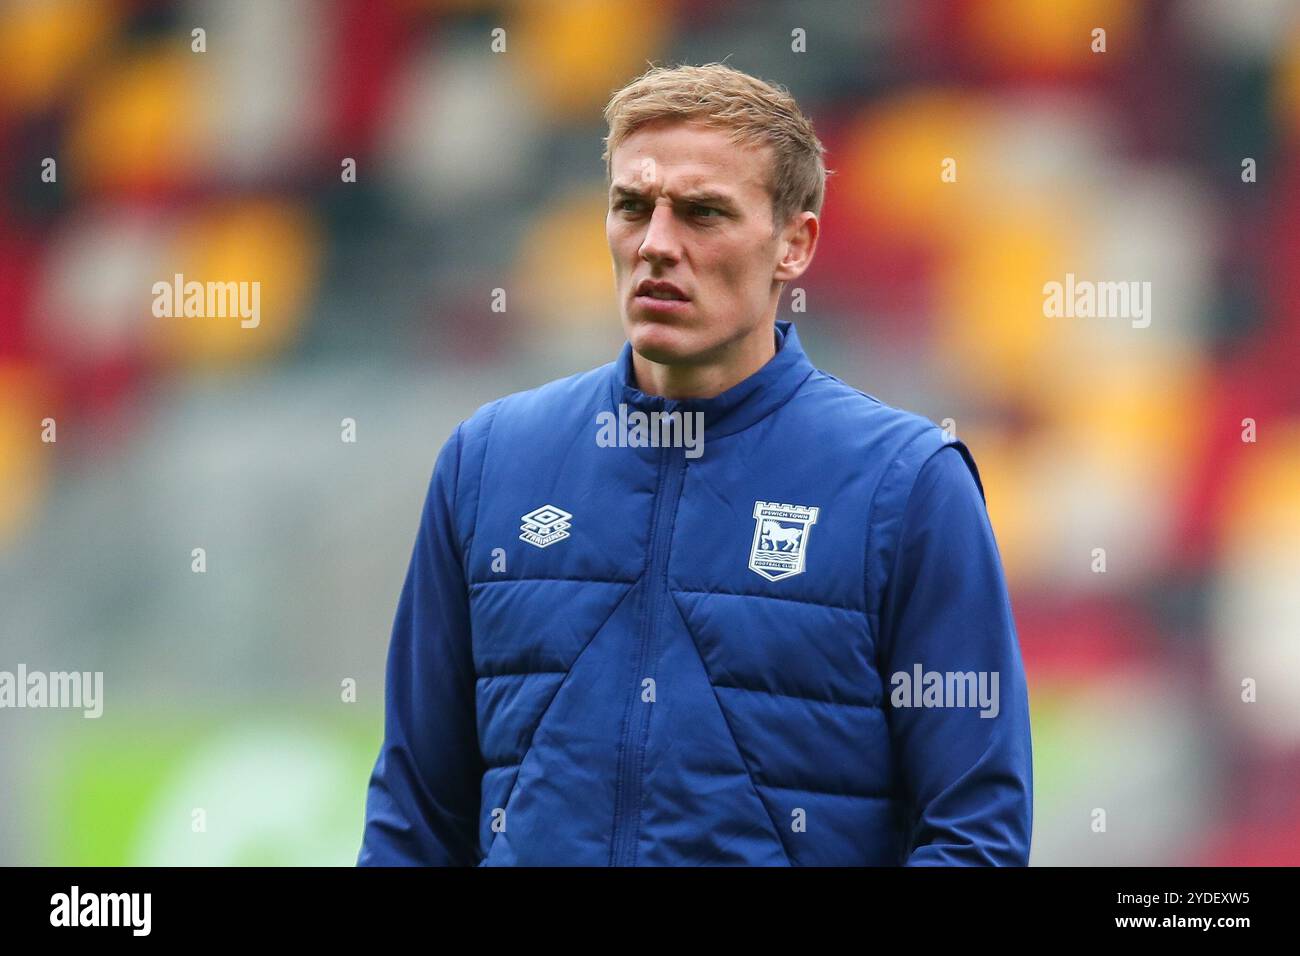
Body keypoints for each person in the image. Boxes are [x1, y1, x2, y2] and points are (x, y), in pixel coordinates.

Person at [357, 62, 1032, 866]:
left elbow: (974, 835)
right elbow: (412, 817)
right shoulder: (490, 461)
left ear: (795, 244)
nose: (657, 245)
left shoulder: (906, 483)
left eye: (703, 213)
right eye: (632, 207)